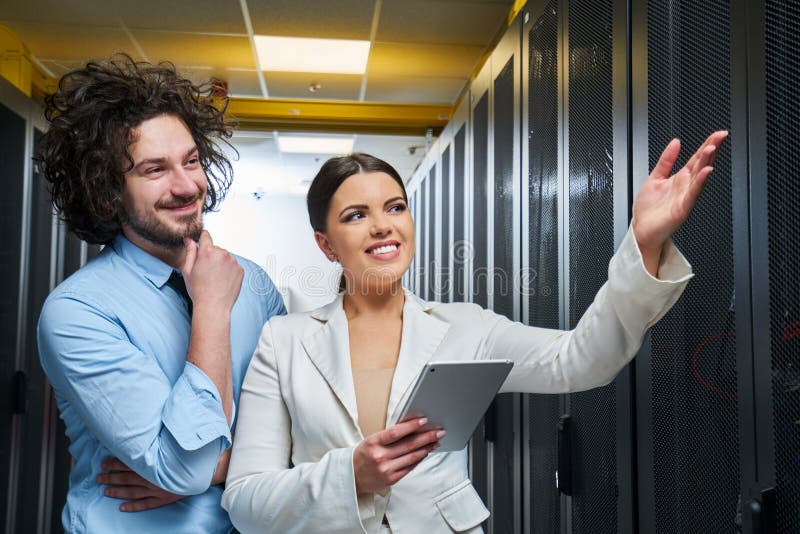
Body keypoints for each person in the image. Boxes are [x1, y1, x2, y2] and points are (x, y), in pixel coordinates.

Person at [221, 133, 728, 533]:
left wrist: (643, 242)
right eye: (356, 216)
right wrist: (349, 476)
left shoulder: (466, 326)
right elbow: (245, 501)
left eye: (395, 207)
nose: (382, 226)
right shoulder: (283, 341)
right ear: (326, 244)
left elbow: (581, 360)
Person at [36, 55, 286, 533]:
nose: (187, 185)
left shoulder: (253, 282)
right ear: (108, 190)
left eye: (191, 161)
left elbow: (299, 428)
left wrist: (215, 469)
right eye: (155, 170)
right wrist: (211, 307)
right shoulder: (77, 312)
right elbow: (187, 468)